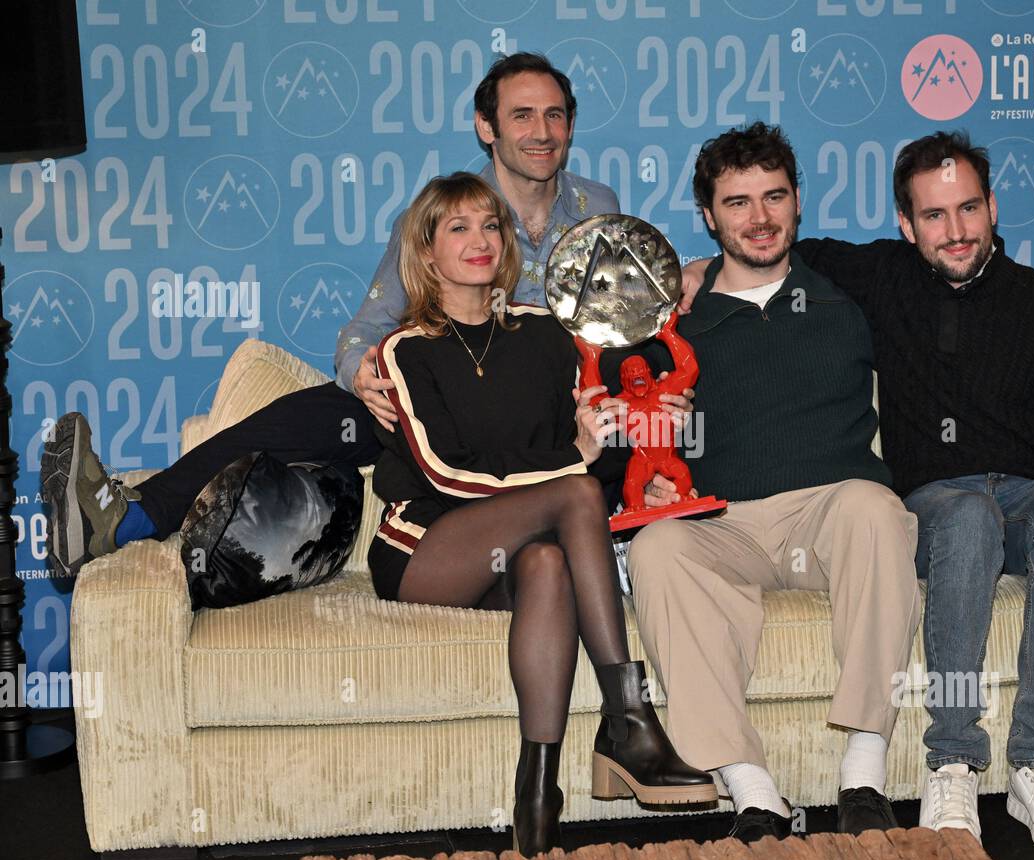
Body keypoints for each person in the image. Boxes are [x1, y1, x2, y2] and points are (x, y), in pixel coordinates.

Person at [681, 129, 1034, 855]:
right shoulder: (877, 276)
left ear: (993, 208)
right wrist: (692, 272)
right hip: (941, 502)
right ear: (906, 225)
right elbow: (756, 251)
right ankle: (952, 759)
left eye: (968, 209)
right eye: (933, 215)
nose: (954, 231)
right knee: (964, 514)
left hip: (1033, 496)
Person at [41, 52, 693, 576]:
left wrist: (685, 291)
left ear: (571, 126)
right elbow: (365, 329)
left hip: (554, 402)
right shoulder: (445, 214)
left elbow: (631, 322)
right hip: (458, 395)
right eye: (522, 115)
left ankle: (656, 523)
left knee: (665, 401)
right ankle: (128, 518)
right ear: (486, 127)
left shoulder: (599, 202)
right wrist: (361, 377)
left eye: (555, 116)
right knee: (332, 408)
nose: (541, 132)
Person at [369, 170, 715, 857]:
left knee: (551, 560)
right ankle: (628, 718)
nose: (481, 240)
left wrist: (641, 437)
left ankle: (538, 785)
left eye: (492, 225)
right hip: (429, 546)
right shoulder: (406, 349)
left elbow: (596, 444)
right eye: (458, 228)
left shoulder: (545, 332)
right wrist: (576, 460)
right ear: (426, 253)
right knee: (575, 492)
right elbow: (448, 473)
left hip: (525, 546)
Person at [622, 122, 924, 843]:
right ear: (707, 216)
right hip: (721, 521)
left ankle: (863, 774)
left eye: (774, 197)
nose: (759, 218)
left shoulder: (852, 291)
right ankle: (752, 792)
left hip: (830, 512)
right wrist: (652, 488)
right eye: (737, 203)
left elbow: (961, 271)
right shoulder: (673, 318)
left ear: (798, 203)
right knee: (656, 549)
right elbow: (630, 430)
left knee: (877, 510)